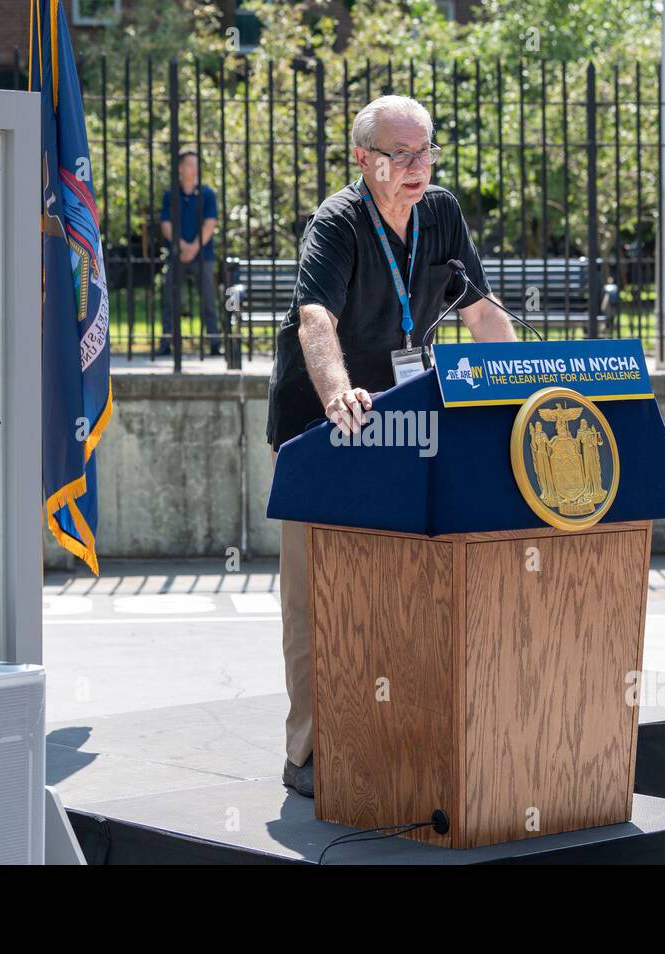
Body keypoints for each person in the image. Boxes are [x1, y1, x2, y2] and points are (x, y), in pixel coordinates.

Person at [265, 95, 517, 798]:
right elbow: (315, 319)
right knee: (318, 597)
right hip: (327, 426)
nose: (416, 168)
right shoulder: (338, 222)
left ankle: (390, 732)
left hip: (407, 425)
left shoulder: (441, 213)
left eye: (425, 151)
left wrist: (523, 383)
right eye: (399, 155)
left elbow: (480, 310)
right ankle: (308, 753)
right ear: (363, 159)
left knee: (399, 589)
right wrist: (337, 393)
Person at [159, 147, 221, 357]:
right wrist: (181, 246)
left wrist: (193, 247)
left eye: (196, 165)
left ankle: (214, 342)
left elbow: (210, 224)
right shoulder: (170, 195)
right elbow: (166, 224)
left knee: (208, 299)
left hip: (203, 256)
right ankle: (166, 342)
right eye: (189, 164)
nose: (193, 169)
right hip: (177, 254)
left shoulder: (207, 194)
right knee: (170, 299)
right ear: (180, 168)